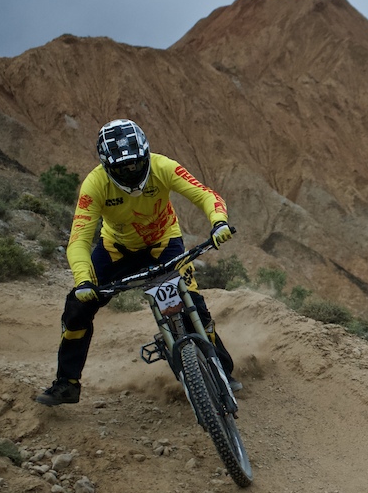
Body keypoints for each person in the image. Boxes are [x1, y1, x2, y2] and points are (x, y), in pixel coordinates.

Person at [37, 118, 238, 406]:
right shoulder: (94, 185)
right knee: (77, 307)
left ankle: (221, 372)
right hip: (116, 251)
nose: (131, 172)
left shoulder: (163, 166)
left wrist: (218, 223)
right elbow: (79, 240)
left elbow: (206, 195)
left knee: (191, 302)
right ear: (107, 167)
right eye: (122, 168)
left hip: (164, 244)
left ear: (145, 155)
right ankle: (67, 383)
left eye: (135, 164)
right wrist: (83, 280)